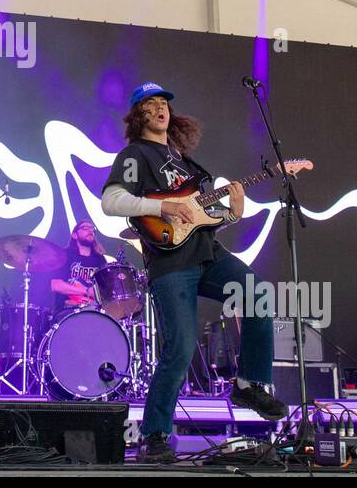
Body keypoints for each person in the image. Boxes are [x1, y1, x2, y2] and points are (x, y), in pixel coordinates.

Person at [101, 81, 285, 464]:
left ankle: (249, 384)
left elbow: (206, 220)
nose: (159, 109)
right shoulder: (136, 155)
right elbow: (111, 200)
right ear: (138, 116)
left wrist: (234, 210)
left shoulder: (189, 164)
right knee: (181, 348)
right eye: (149, 106)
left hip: (208, 254)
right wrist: (162, 208)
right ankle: (154, 435)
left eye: (163, 103)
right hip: (170, 263)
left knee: (259, 294)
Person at [50, 220, 108, 309]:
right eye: (85, 228)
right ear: (74, 235)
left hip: (95, 310)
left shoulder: (100, 259)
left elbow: (106, 288)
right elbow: (55, 285)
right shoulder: (65, 256)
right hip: (68, 310)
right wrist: (87, 291)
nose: (90, 231)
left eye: (92, 229)